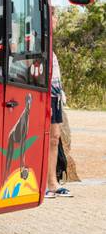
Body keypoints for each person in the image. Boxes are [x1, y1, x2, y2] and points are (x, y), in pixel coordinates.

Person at [46, 10, 71, 198]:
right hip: (44, 95)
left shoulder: (51, 43)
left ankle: (53, 183)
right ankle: (44, 184)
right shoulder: (38, 41)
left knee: (55, 138)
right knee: (45, 137)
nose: (55, 20)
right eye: (53, 16)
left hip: (55, 96)